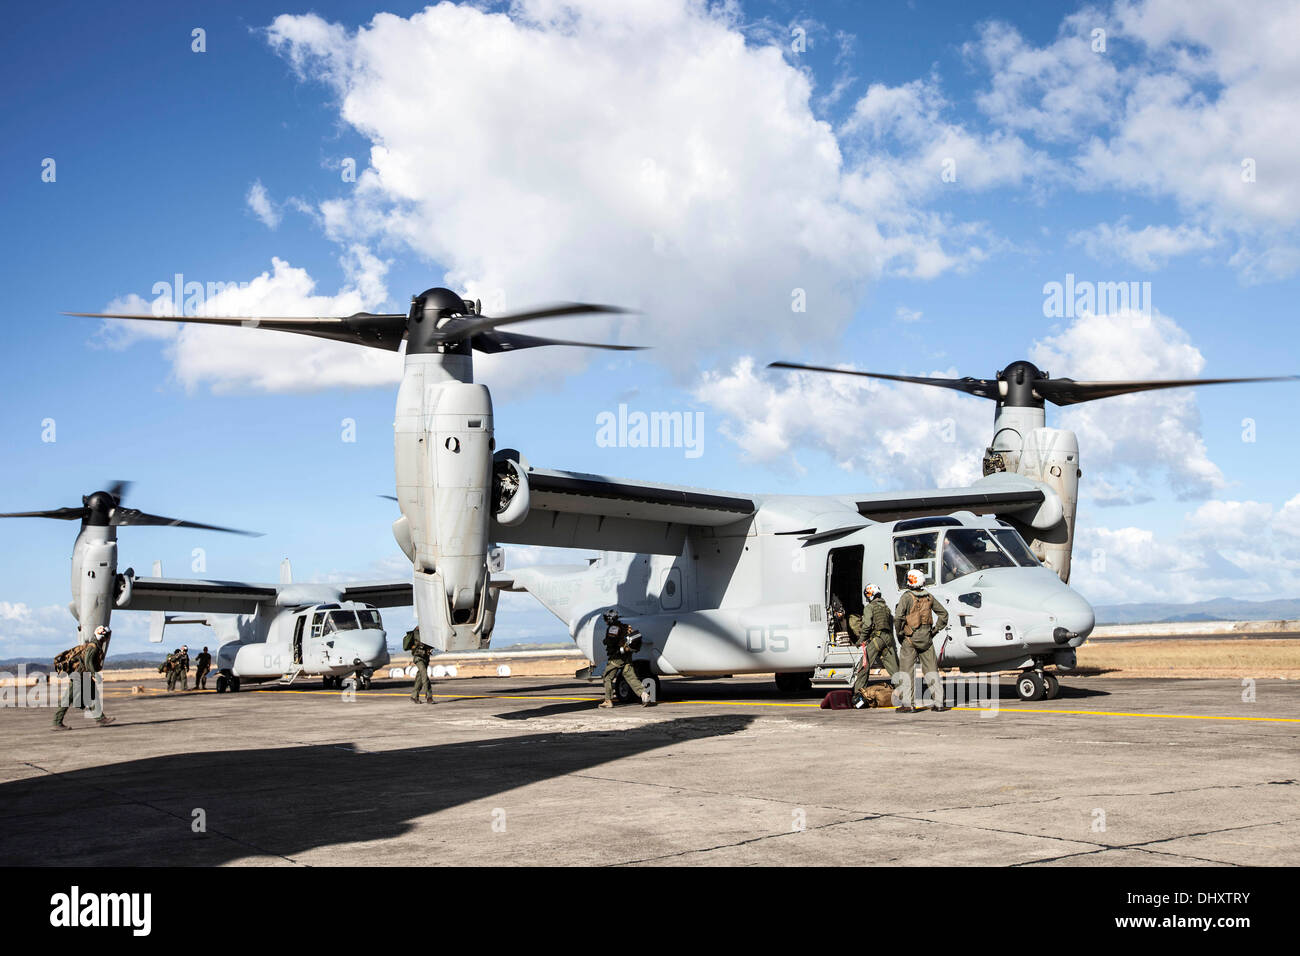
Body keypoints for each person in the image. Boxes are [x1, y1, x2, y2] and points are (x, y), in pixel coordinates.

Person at [894, 569, 950, 713]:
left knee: (907, 672)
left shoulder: (906, 597)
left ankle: (909, 704)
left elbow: (899, 617)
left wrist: (900, 633)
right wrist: (935, 631)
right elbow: (943, 614)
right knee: (931, 670)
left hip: (910, 639)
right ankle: (939, 703)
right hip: (927, 639)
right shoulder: (929, 597)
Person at [52, 626, 115, 730]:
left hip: (83, 675)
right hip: (80, 676)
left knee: (92, 695)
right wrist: (95, 675)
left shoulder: (95, 645)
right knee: (68, 698)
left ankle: (100, 718)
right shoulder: (93, 647)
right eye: (107, 635)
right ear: (102, 636)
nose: (108, 638)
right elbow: (88, 662)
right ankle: (56, 722)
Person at [849, 584, 898, 707]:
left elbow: (866, 625)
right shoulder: (886, 608)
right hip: (888, 639)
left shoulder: (870, 607)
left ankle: (858, 695)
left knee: (864, 667)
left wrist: (860, 640)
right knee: (894, 669)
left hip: (877, 639)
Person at [599, 609, 652, 708]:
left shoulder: (613, 628)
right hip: (627, 656)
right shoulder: (624, 626)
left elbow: (612, 641)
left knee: (607, 677)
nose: (605, 621)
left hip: (617, 657)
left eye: (606, 619)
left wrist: (606, 642)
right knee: (630, 676)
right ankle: (644, 695)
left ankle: (608, 700)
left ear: (610, 619)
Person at [407, 629, 435, 704]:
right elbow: (422, 642)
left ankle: (414, 696)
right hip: (418, 658)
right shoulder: (417, 632)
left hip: (426, 658)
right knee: (424, 675)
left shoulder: (427, 631)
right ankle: (429, 697)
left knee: (420, 678)